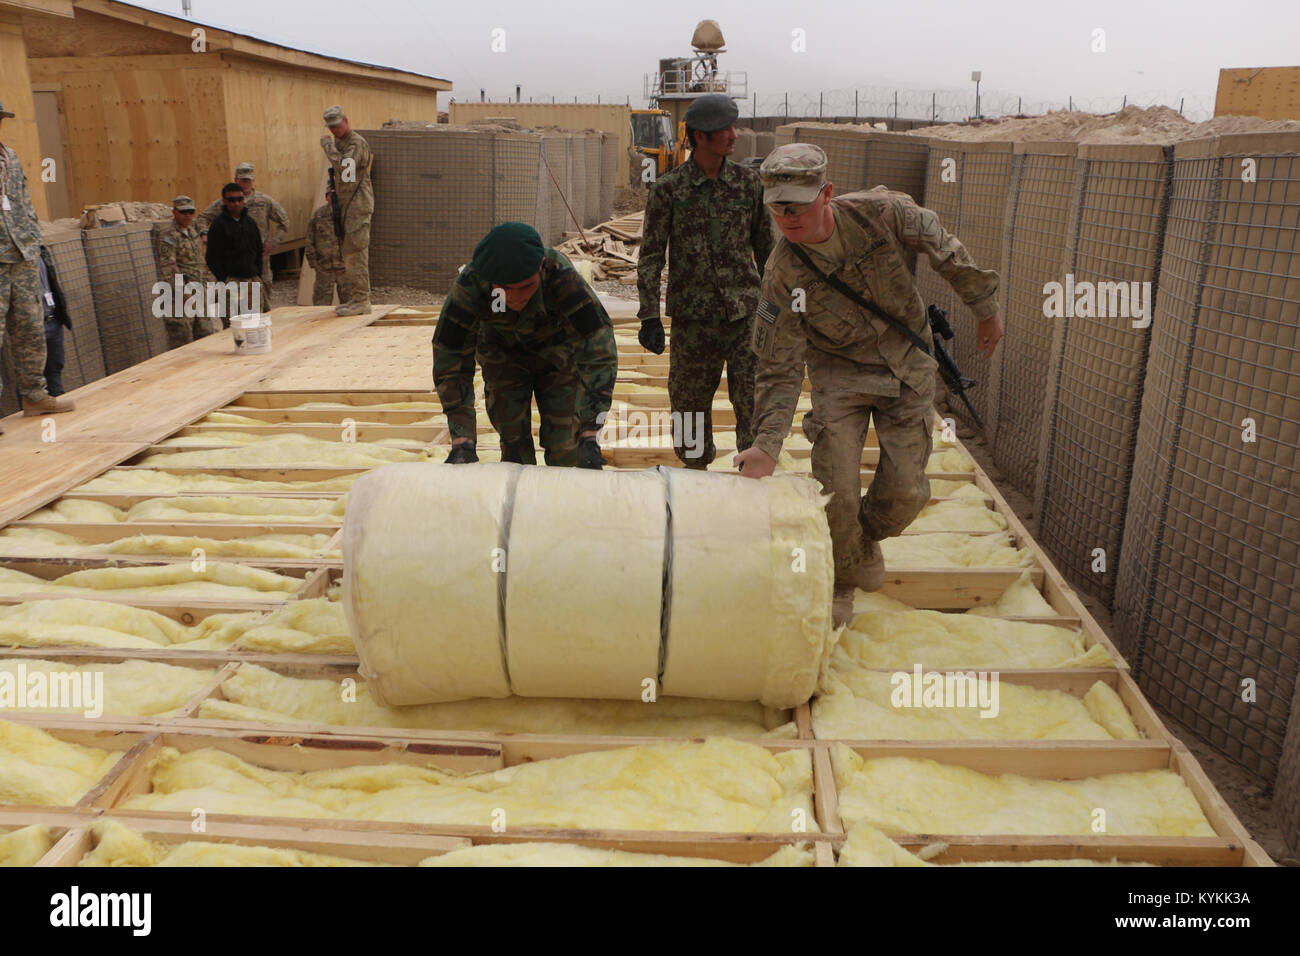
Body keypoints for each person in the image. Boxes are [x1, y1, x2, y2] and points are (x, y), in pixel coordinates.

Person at [733, 144, 1004, 626]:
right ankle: (839, 578)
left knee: (907, 492)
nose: (788, 216)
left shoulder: (882, 213)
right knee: (835, 480)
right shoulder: (781, 275)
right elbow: (778, 364)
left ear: (827, 194)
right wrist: (767, 444)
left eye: (797, 203)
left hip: (907, 364)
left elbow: (945, 249)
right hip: (840, 372)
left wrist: (984, 309)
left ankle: (863, 540)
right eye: (777, 207)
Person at [636, 93, 773, 469]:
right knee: (689, 409)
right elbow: (650, 256)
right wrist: (648, 315)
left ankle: (752, 477)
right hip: (693, 321)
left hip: (744, 314)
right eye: (723, 129)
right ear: (700, 137)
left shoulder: (749, 185)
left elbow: (769, 253)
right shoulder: (669, 190)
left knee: (754, 401)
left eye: (733, 126)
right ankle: (696, 483)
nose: (733, 135)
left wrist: (779, 310)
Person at [433, 222, 617, 468]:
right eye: (507, 290)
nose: (517, 298)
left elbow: (598, 348)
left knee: (565, 447)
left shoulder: (560, 275)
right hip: (502, 358)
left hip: (558, 357)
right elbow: (451, 359)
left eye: (526, 286)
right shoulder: (471, 284)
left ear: (540, 267)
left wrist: (590, 430)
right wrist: (462, 439)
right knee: (514, 449)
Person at [0, 98, 74, 432]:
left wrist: (32, 238)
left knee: (31, 329)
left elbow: (24, 202)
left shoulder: (10, 157)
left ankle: (34, 395)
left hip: (23, 257)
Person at [196, 163, 288, 310]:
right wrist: (205, 234)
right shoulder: (225, 202)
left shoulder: (264, 201)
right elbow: (202, 218)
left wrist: (273, 243)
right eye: (242, 180)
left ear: (253, 181)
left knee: (263, 301)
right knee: (233, 306)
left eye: (248, 180)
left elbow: (284, 223)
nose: (245, 184)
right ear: (236, 180)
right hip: (232, 262)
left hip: (259, 258)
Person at [320, 105, 373, 316]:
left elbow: (346, 167)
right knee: (349, 253)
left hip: (358, 206)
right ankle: (356, 297)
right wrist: (330, 191)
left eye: (337, 125)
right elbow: (340, 175)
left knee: (356, 253)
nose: (334, 130)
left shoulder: (356, 143)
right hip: (346, 205)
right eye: (331, 127)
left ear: (346, 121)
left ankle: (362, 300)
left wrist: (327, 148)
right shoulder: (341, 142)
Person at [204, 182, 263, 321]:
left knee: (255, 322)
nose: (236, 203)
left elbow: (258, 250)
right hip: (231, 282)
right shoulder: (218, 225)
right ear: (224, 201)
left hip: (252, 280)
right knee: (233, 325)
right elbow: (212, 256)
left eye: (239, 199)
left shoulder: (250, 223)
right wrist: (224, 279)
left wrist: (257, 274)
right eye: (231, 200)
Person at [157, 195, 211, 347]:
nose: (188, 215)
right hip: (179, 296)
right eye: (183, 212)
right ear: (174, 212)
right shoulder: (168, 235)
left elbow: (199, 262)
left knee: (205, 334)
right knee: (182, 339)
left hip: (198, 290)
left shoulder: (193, 232)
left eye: (190, 212)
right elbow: (168, 267)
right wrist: (183, 293)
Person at [36, 245, 71, 394]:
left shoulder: (41, 252)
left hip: (52, 319)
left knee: (55, 369)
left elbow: (52, 283)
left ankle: (57, 400)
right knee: (34, 377)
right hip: (32, 325)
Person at [304, 187, 344, 306]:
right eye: (330, 195)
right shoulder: (319, 215)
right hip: (324, 267)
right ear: (326, 197)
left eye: (336, 195)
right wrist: (313, 262)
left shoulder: (346, 213)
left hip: (344, 266)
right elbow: (310, 239)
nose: (333, 197)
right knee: (321, 303)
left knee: (349, 300)